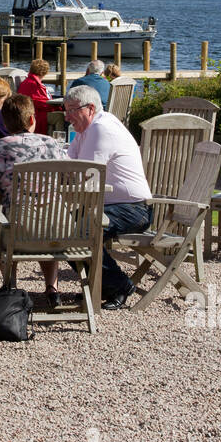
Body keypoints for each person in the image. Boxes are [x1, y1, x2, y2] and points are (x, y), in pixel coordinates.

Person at [0, 94, 68, 306]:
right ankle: (52, 289)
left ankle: (10, 286)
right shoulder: (52, 144)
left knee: (3, 221)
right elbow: (73, 175)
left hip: (20, 230)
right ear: (32, 119)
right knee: (45, 217)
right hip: (59, 230)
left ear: (5, 123)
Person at [63, 84, 151, 309]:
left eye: (72, 110)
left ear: (90, 108)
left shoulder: (100, 129)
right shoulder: (85, 130)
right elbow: (66, 164)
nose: (67, 116)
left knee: (80, 231)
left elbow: (86, 176)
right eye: (66, 110)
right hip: (110, 205)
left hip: (133, 209)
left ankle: (119, 285)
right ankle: (101, 287)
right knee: (61, 229)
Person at [17, 58, 52, 134]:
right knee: (60, 116)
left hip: (32, 111)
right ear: (43, 72)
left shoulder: (29, 81)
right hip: (37, 113)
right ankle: (58, 138)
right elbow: (37, 101)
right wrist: (56, 106)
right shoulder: (33, 84)